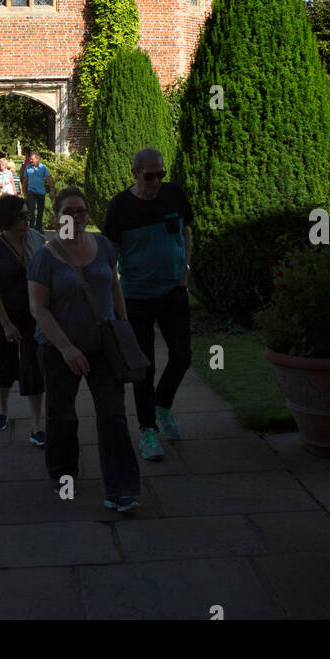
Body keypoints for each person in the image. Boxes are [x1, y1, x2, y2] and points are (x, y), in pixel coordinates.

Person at [28, 185, 141, 513]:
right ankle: (64, 476)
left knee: (113, 415)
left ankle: (122, 489)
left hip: (104, 347)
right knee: (62, 416)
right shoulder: (45, 257)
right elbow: (39, 309)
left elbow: (114, 285)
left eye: (82, 211)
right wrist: (66, 349)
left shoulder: (103, 245)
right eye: (69, 212)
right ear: (57, 216)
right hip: (58, 349)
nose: (77, 218)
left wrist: (123, 324)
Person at [102, 148, 195, 463]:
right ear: (135, 174)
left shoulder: (173, 195)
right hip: (137, 296)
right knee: (144, 366)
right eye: (149, 175)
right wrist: (112, 296)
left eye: (160, 174)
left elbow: (186, 231)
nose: (156, 181)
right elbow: (110, 254)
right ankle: (147, 430)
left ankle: (162, 404)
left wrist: (185, 270)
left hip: (173, 290)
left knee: (183, 355)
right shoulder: (120, 207)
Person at [0, 196, 47, 441]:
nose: (26, 220)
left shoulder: (37, 241)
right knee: (5, 365)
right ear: (8, 219)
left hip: (33, 317)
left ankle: (37, 424)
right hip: (4, 317)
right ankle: (3, 410)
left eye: (27, 215)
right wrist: (7, 324)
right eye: (21, 216)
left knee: (33, 368)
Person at [21, 150, 54, 231]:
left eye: (32, 159)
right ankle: (31, 227)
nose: (30, 161)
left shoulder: (43, 168)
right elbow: (25, 180)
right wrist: (24, 192)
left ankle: (39, 227)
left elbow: (48, 179)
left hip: (41, 192)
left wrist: (51, 190)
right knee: (31, 209)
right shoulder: (28, 168)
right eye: (30, 159)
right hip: (31, 192)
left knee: (40, 211)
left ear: (37, 159)